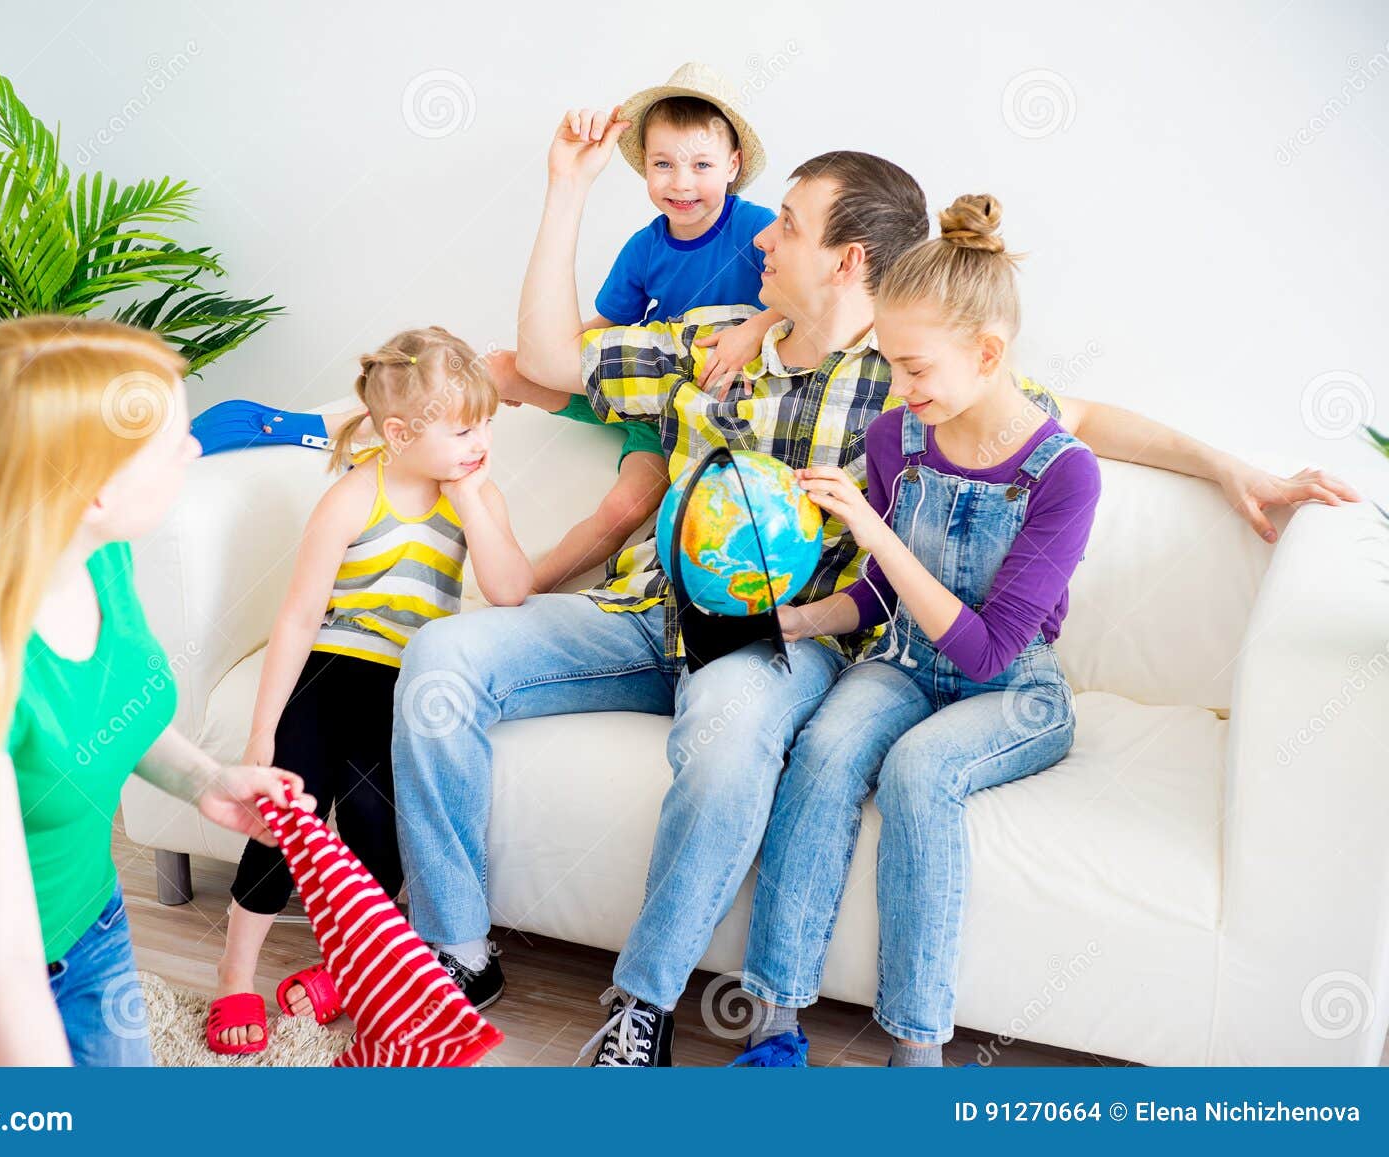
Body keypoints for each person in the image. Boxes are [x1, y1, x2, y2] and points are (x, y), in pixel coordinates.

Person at [396, 106, 1359, 1067]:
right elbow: (549, 359)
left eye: (790, 226)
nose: (759, 234)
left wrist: (1232, 467)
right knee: (443, 653)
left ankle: (641, 1006)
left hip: (782, 638)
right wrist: (566, 188)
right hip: (645, 611)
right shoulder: (712, 338)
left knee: (732, 738)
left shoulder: (907, 383)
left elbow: (1078, 418)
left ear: (849, 260)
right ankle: (455, 951)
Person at [0, 316, 313, 1067]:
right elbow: (3, 958)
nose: (192, 447)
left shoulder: (99, 557)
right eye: (171, 438)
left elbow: (109, 713)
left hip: (90, 928)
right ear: (90, 489)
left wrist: (207, 780)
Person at [735, 194, 1099, 1067]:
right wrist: (789, 619)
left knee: (920, 770)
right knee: (820, 752)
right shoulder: (902, 435)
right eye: (891, 368)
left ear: (987, 352)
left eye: (914, 368)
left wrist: (874, 528)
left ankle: (916, 1051)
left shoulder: (1066, 474)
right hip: (903, 662)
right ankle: (775, 1026)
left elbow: (986, 647)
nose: (899, 392)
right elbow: (875, 597)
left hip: (1014, 690)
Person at [209, 327, 531, 1053]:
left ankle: (346, 969)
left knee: (377, 829)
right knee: (284, 819)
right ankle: (235, 972)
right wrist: (262, 734)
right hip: (333, 667)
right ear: (398, 432)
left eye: (486, 424)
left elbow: (512, 592)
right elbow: (295, 620)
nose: (480, 440)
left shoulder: (474, 497)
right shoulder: (356, 495)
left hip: (412, 683)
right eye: (462, 428)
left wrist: (472, 497)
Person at [494, 63, 782, 592]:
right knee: (501, 367)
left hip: (697, 404)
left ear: (733, 165)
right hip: (641, 385)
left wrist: (756, 328)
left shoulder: (759, 227)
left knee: (625, 508)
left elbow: (804, 301)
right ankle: (366, 419)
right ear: (644, 167)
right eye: (663, 164)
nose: (681, 183)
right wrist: (544, 361)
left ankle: (523, 588)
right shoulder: (645, 246)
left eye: (701, 164)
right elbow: (605, 327)